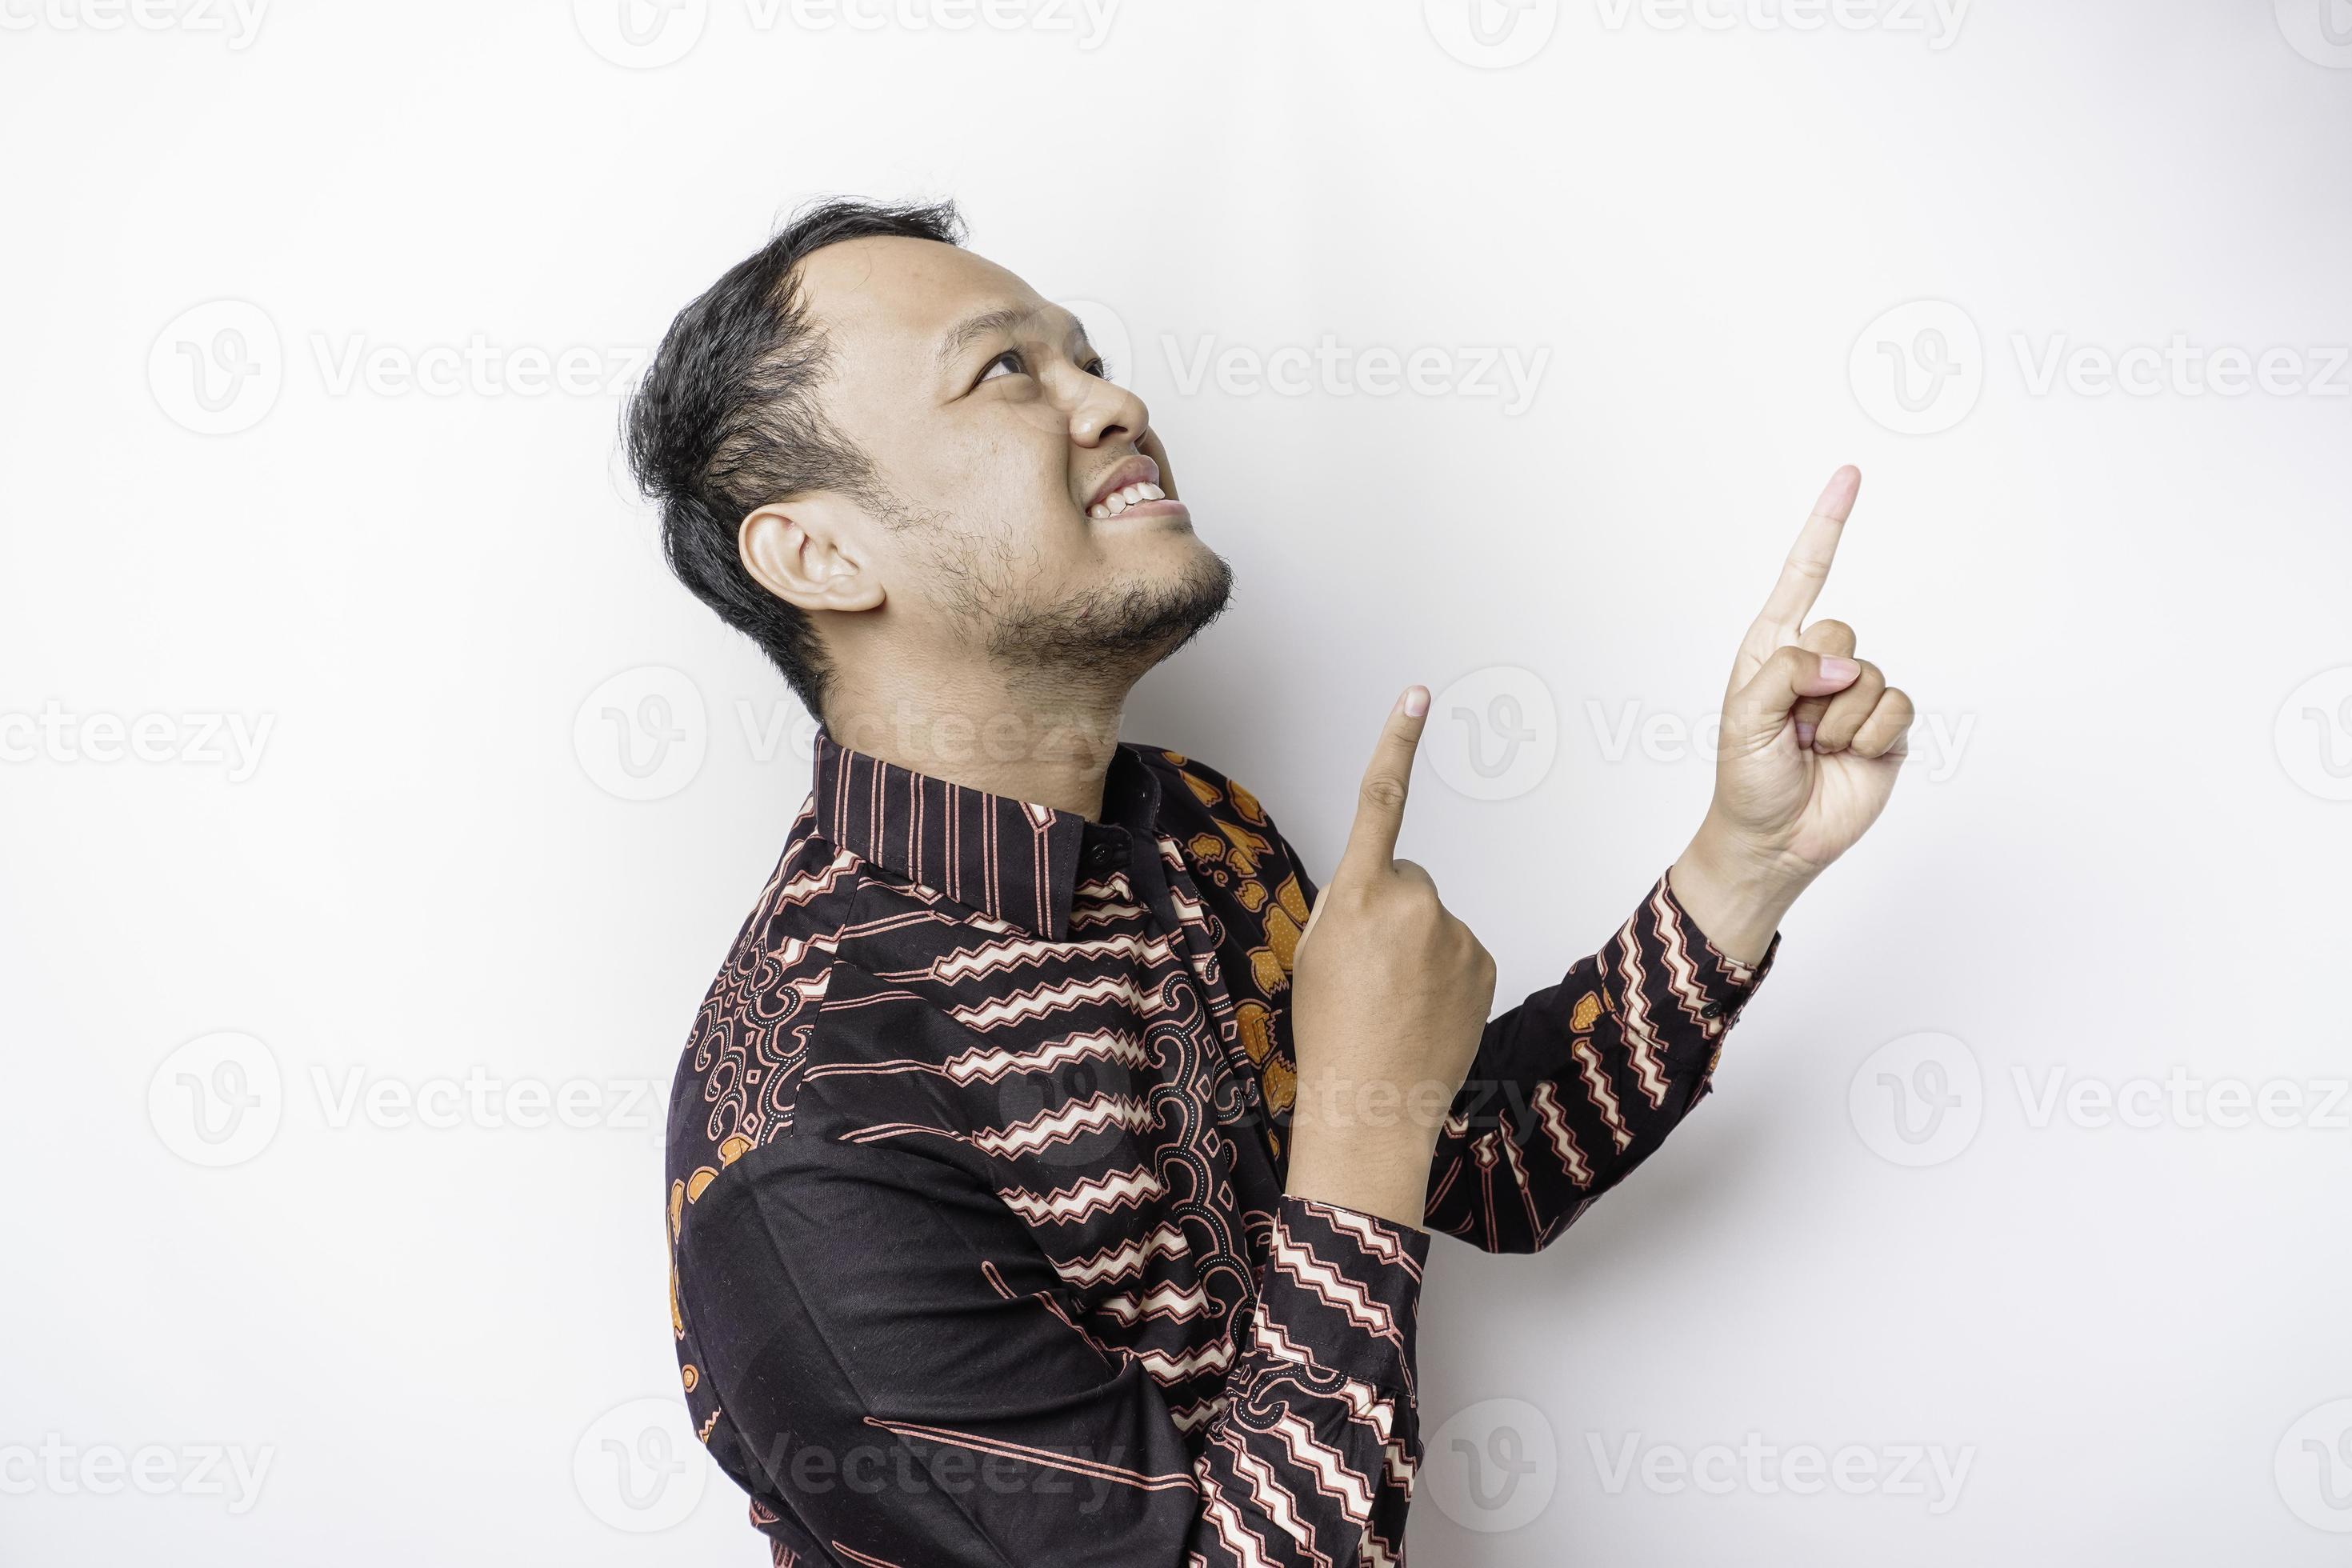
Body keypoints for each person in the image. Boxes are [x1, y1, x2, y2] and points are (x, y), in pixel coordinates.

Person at [624, 198, 1914, 1566]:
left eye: (1086, 355)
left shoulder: (1184, 823)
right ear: (817, 554)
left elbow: (1495, 1166)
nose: (1112, 401)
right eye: (1006, 371)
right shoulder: (812, 1149)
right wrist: (1361, 1142)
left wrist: (1747, 857)